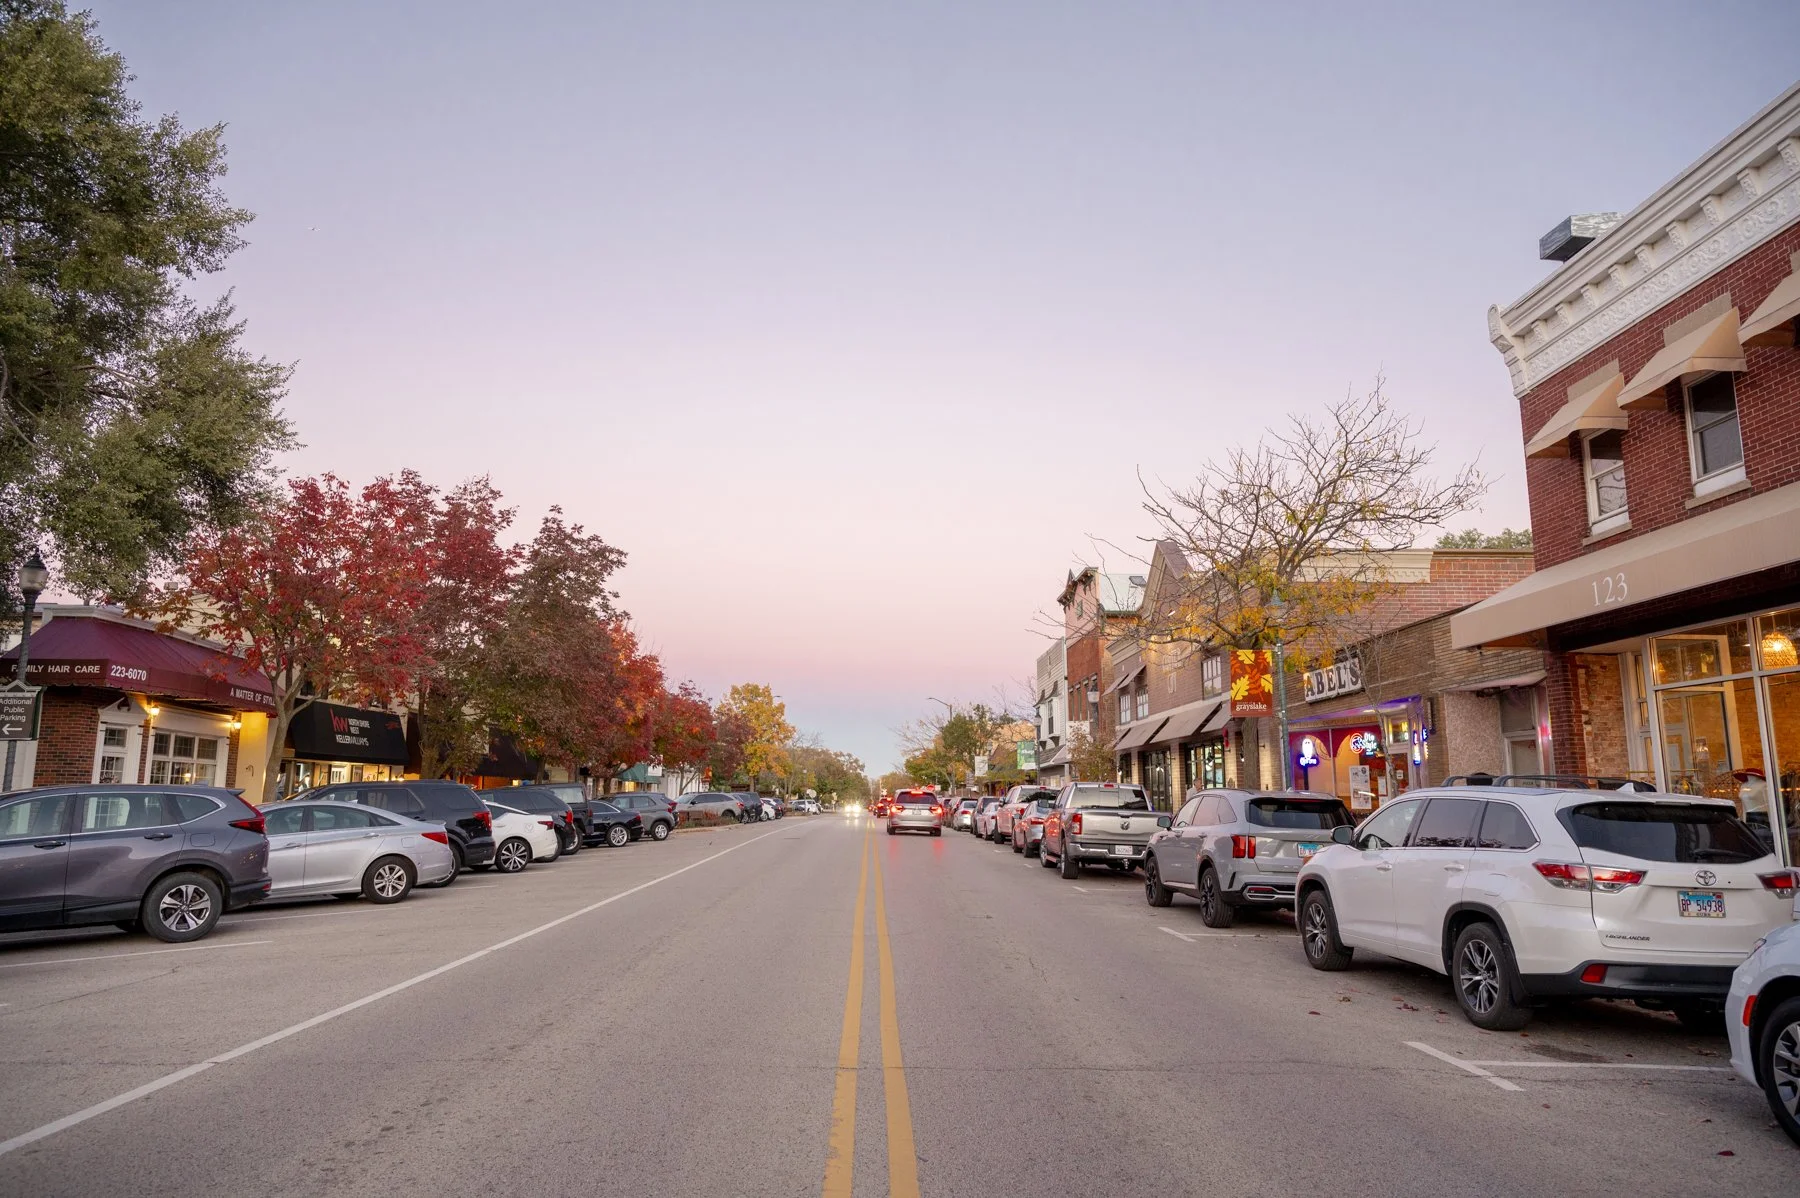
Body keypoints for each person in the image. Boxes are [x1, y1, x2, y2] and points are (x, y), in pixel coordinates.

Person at [1733, 767, 1773, 849]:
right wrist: (1742, 821)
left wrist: (1773, 824)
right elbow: (1744, 805)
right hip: (1748, 818)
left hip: (1761, 817)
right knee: (1752, 843)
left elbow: (1769, 804)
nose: (1749, 777)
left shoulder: (1763, 785)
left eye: (1751, 775)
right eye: (1748, 775)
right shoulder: (1744, 786)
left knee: (1764, 843)